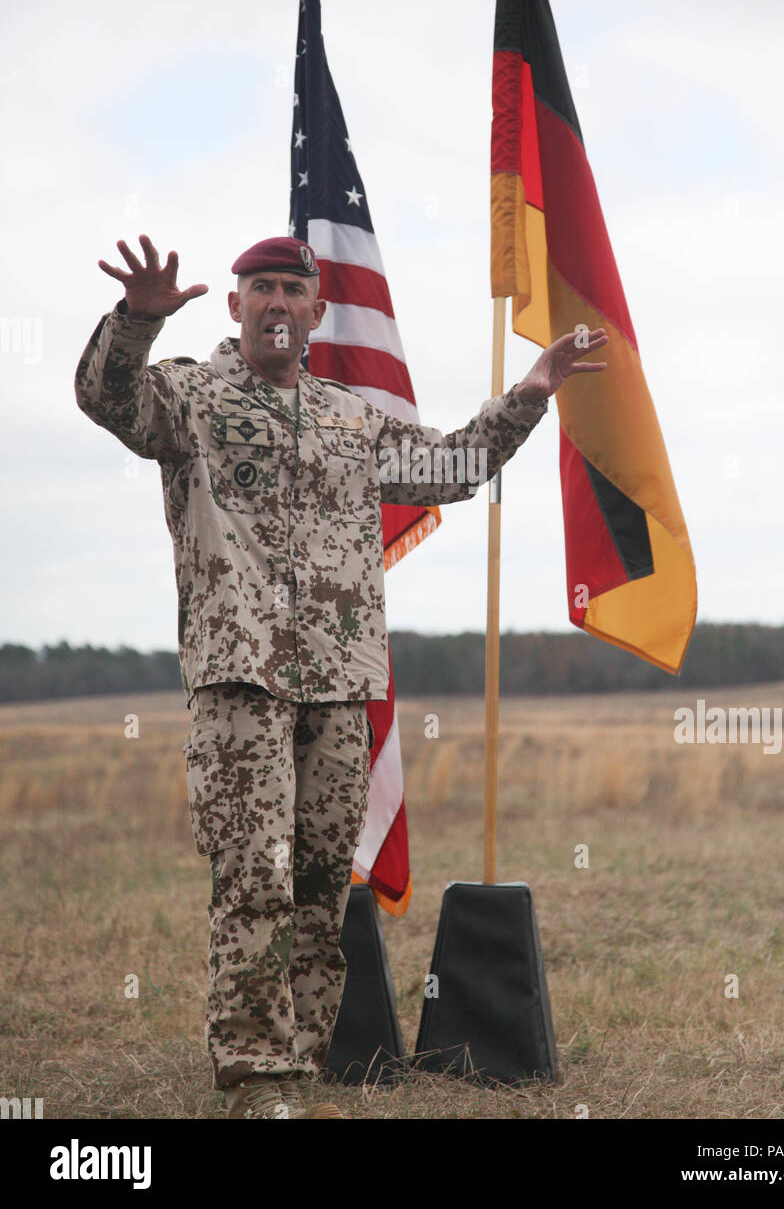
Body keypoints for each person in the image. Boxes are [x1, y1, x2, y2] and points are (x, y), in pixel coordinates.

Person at [74, 233, 608, 1119]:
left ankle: (303, 1069)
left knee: (323, 889)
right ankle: (256, 1081)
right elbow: (106, 397)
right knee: (256, 880)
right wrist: (134, 321)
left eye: (293, 289)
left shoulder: (349, 420)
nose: (277, 304)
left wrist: (528, 395)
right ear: (235, 307)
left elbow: (450, 465)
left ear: (318, 312)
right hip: (241, 680)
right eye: (260, 290)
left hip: (339, 684)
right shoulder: (192, 398)